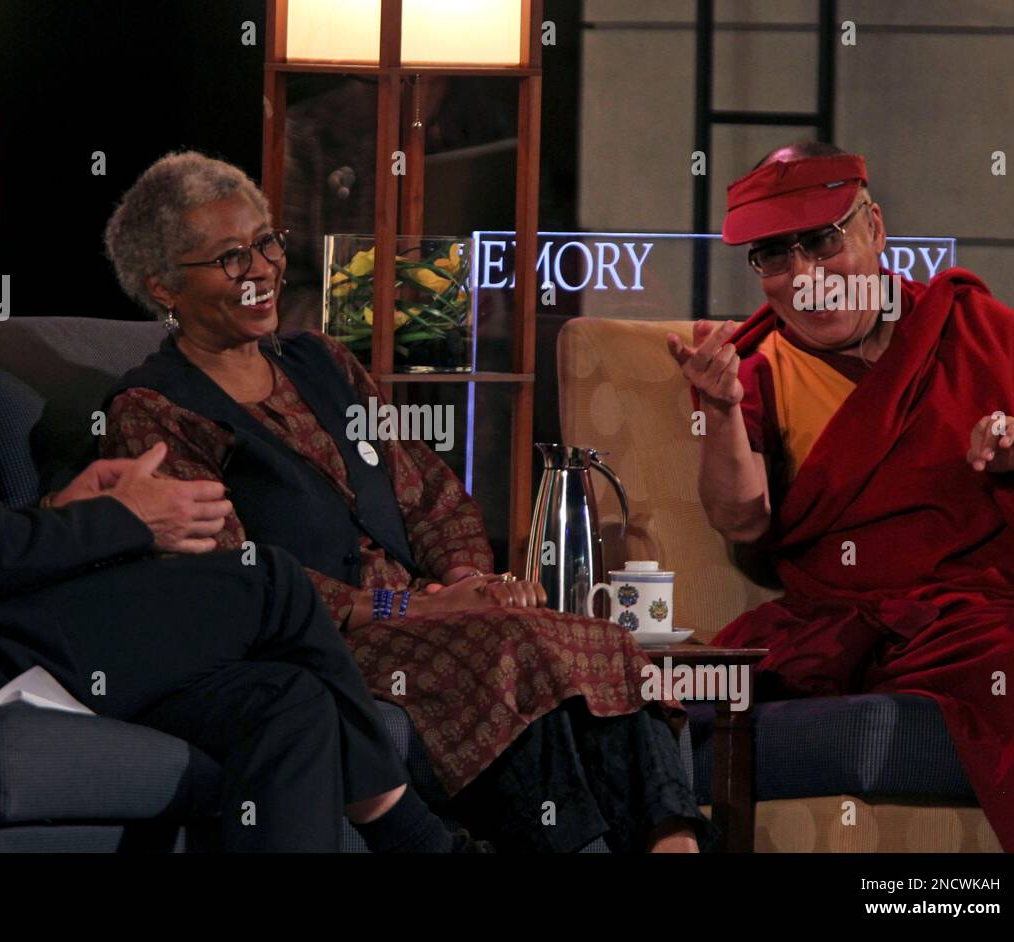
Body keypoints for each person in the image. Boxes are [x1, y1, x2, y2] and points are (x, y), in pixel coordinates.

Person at [0, 96, 480, 854]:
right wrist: (134, 519)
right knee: (270, 582)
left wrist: (66, 505)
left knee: (285, 701)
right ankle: (410, 833)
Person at [99, 150, 716, 853]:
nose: (263, 270)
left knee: (594, 638)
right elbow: (240, 581)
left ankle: (674, 844)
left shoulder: (327, 363)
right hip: (325, 644)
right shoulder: (155, 410)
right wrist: (416, 607)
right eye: (230, 257)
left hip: (433, 617)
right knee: (513, 648)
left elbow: (431, 494)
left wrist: (463, 582)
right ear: (163, 286)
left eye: (266, 242)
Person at [667, 141, 1014, 852]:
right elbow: (742, 518)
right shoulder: (753, 372)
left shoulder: (970, 328)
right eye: (774, 256)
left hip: (979, 608)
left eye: (820, 242)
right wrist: (718, 412)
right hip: (848, 621)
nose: (805, 277)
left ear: (873, 227)